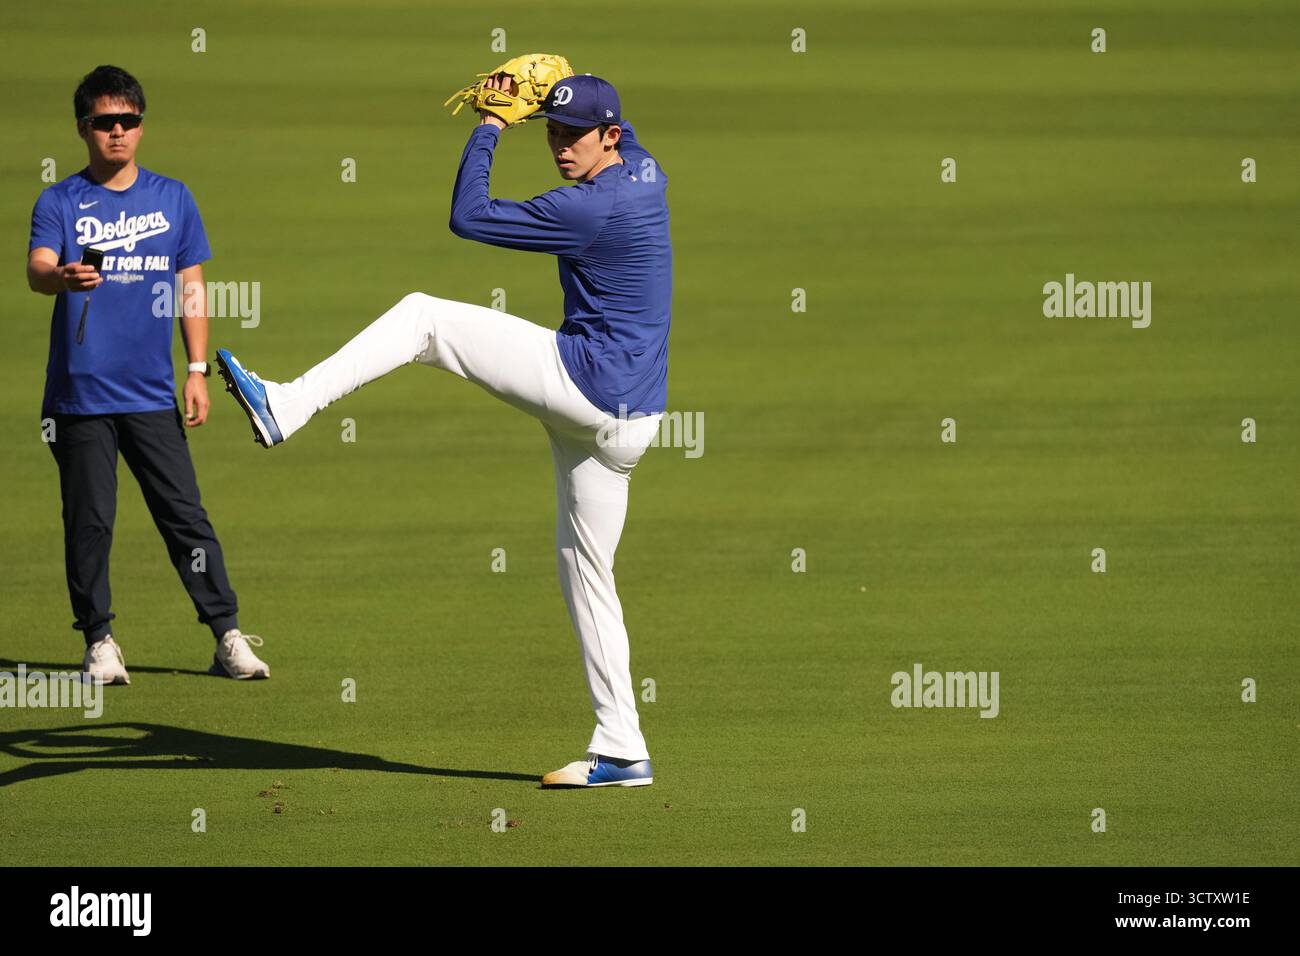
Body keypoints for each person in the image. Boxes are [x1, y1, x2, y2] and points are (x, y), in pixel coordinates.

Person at [216, 73, 671, 786]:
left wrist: (492, 124)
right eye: (551, 130)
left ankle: (288, 406)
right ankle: (621, 746)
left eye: (572, 135)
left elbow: (468, 215)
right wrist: (560, 83)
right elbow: (612, 121)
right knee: (587, 571)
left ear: (608, 136)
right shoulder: (646, 171)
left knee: (425, 317)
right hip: (632, 421)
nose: (558, 146)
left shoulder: (588, 208)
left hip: (588, 385)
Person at [27, 65, 270, 684]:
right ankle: (100, 641)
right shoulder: (59, 200)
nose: (117, 132)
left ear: (140, 125)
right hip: (79, 397)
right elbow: (37, 268)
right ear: (83, 127)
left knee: (184, 516)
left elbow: (191, 286)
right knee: (90, 521)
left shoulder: (172, 198)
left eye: (127, 122)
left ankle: (227, 636)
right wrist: (63, 278)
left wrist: (195, 368)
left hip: (151, 393)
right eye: (104, 122)